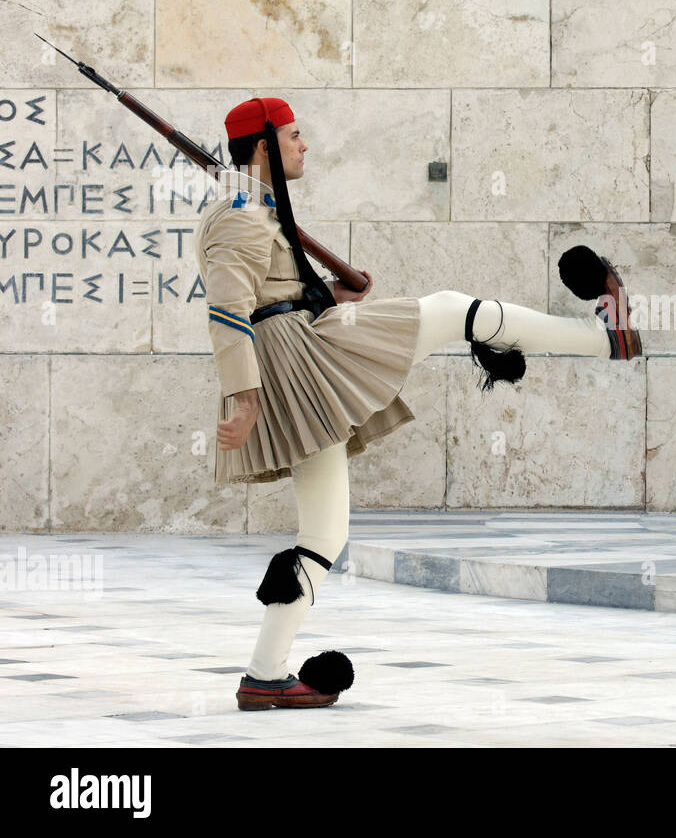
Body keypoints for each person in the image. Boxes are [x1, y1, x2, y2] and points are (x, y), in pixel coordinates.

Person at [197, 97, 641, 710]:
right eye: (296, 136)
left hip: (299, 348)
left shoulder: (256, 210)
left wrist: (330, 289)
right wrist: (244, 400)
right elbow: (227, 310)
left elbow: (272, 289)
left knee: (324, 532)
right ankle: (603, 339)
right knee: (452, 309)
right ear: (265, 144)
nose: (306, 147)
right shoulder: (240, 215)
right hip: (295, 360)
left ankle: (264, 676)